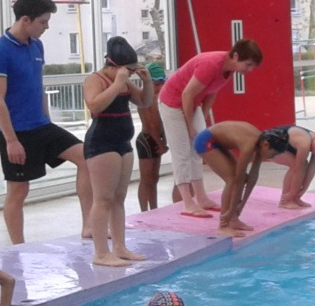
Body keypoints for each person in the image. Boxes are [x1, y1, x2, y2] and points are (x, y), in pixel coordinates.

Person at [0, 0, 93, 244]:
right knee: (18, 190)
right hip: (15, 131)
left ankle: (89, 224)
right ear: (25, 20)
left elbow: (38, 85)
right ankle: (17, 247)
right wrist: (12, 141)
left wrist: (47, 118)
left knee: (87, 158)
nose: (46, 27)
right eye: (42, 22)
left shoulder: (36, 45)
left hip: (41, 126)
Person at [158, 39, 263, 218]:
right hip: (172, 103)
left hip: (192, 104)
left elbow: (211, 93)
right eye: (248, 64)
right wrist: (190, 126)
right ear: (236, 56)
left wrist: (202, 119)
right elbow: (187, 93)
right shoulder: (211, 64)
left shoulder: (228, 71)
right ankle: (188, 202)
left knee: (199, 149)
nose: (249, 70)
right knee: (182, 153)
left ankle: (201, 197)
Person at [82, 37, 155, 267]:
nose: (131, 75)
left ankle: (120, 247)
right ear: (114, 66)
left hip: (123, 141)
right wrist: (116, 84)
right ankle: (101, 253)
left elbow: (144, 102)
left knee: (119, 198)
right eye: (129, 70)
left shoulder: (124, 81)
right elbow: (94, 106)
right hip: (102, 142)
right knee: (102, 198)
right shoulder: (96, 79)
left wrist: (147, 82)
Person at [192, 121, 266, 237]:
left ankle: (233, 220)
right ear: (266, 145)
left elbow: (252, 177)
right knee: (232, 180)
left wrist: (241, 205)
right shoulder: (249, 145)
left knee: (243, 178)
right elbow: (237, 179)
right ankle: (223, 226)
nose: (271, 158)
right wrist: (231, 209)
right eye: (272, 155)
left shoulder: (264, 142)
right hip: (205, 141)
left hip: (217, 142)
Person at [256, 125, 315, 209]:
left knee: (303, 164)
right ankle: (285, 201)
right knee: (295, 164)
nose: (314, 152)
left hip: (286, 147)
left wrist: (302, 190)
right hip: (272, 146)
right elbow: (297, 170)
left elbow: (312, 168)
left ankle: (295, 198)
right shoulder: (304, 144)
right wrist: (291, 192)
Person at [135, 62, 170, 212]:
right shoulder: (145, 98)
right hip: (146, 140)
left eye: (162, 84)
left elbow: (164, 124)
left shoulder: (161, 99)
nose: (159, 88)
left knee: (154, 178)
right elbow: (151, 126)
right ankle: (144, 211)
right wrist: (161, 145)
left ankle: (154, 209)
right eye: (156, 84)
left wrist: (165, 141)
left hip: (158, 140)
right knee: (146, 179)